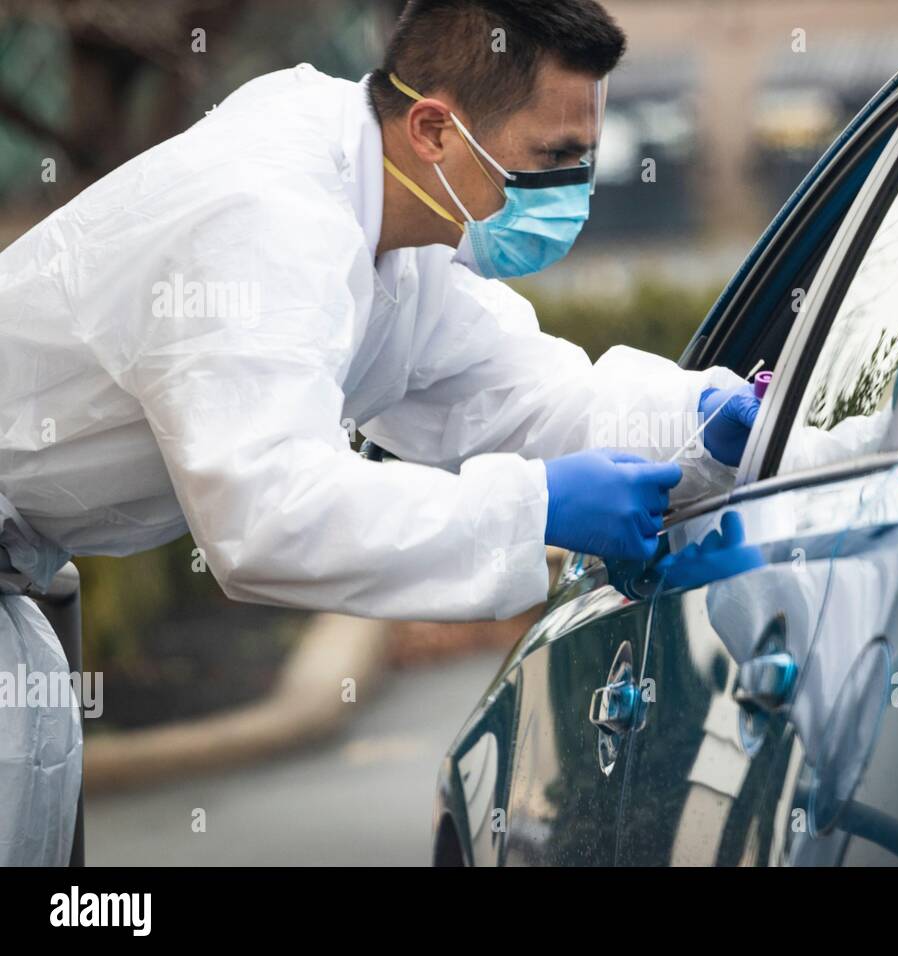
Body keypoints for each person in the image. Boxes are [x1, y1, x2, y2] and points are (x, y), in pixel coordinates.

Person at [0, 0, 759, 865]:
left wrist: (708, 428)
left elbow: (522, 396)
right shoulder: (269, 220)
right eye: (554, 159)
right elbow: (269, 515)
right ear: (436, 128)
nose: (576, 191)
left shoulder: (390, 223)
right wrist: (534, 506)